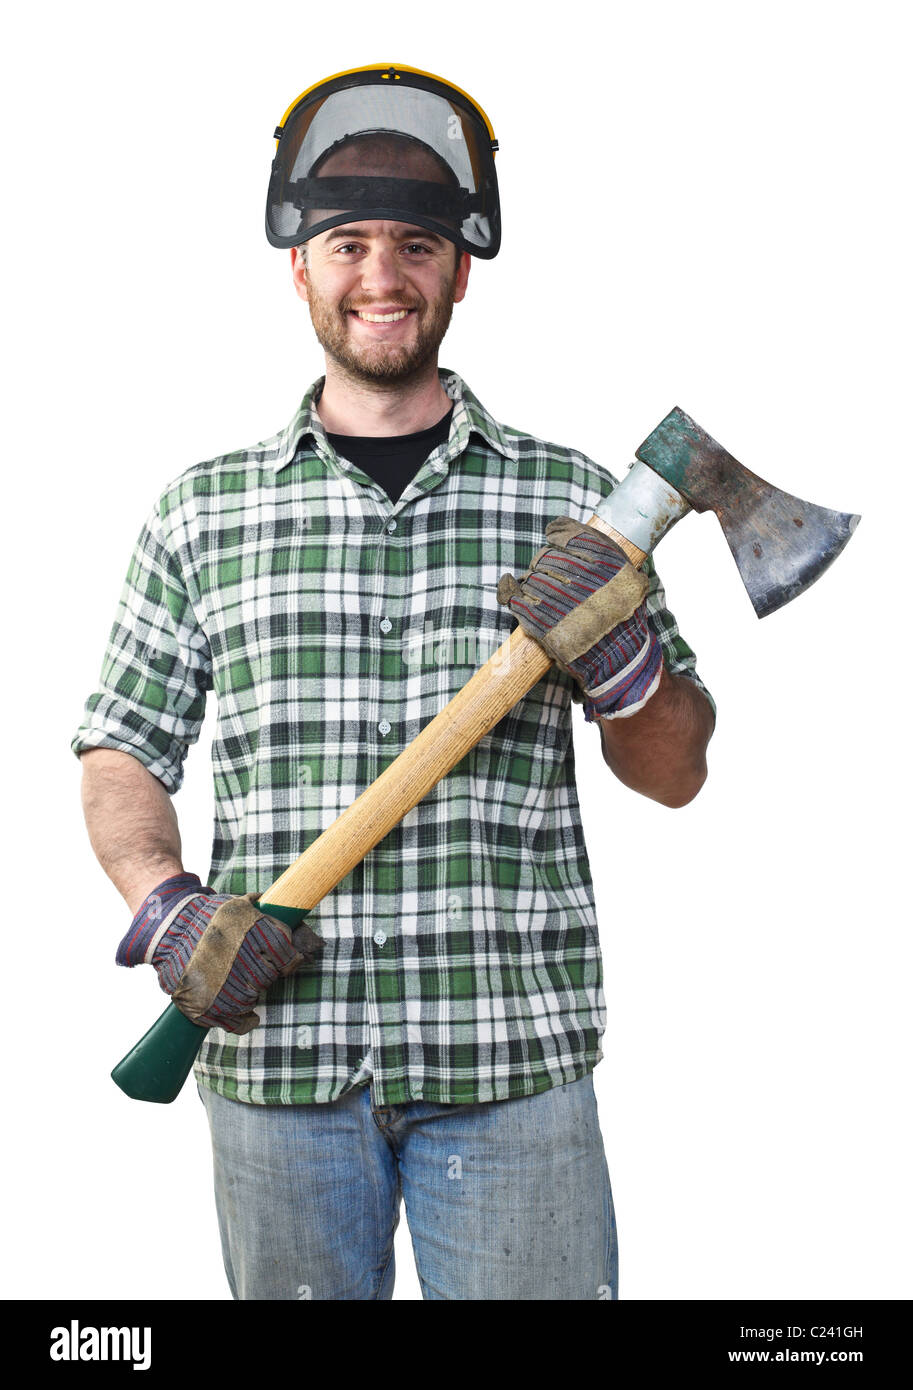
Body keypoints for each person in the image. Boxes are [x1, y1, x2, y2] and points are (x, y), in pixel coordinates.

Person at [73, 64, 715, 1301]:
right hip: (278, 1066)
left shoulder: (570, 504)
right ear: (298, 269)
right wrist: (166, 903)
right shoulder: (202, 510)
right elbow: (121, 746)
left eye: (416, 245)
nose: (382, 276)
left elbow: (676, 773)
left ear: (460, 270)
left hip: (508, 1063)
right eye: (348, 244)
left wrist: (625, 662)